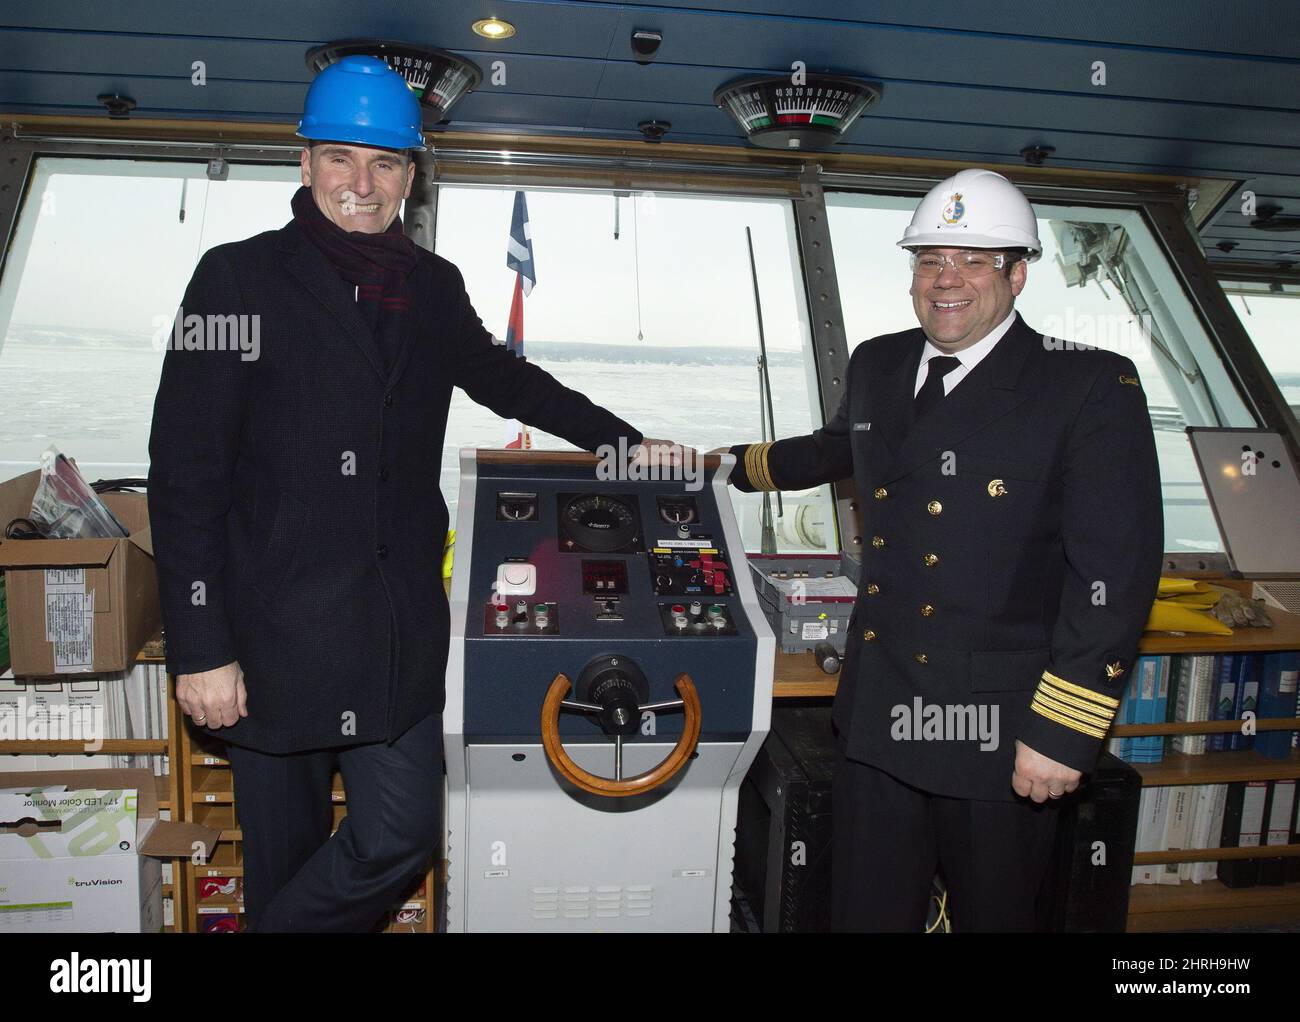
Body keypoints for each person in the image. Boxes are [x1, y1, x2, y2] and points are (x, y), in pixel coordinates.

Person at [147, 55, 677, 931]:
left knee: (399, 835)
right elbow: (186, 475)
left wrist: (624, 443)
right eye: (341, 158)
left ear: (410, 174)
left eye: (385, 162)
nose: (363, 183)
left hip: (391, 635)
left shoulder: (432, 287)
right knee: (284, 867)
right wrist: (201, 648)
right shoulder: (234, 278)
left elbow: (510, 382)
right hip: (270, 639)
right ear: (306, 159)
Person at [720, 168, 1163, 931]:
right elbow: (832, 449)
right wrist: (723, 465)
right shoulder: (879, 363)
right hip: (879, 708)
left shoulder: (1087, 384)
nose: (945, 280)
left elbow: (1115, 575)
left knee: (992, 917)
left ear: (1018, 274)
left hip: (1000, 730)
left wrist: (1063, 734)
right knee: (864, 914)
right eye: (929, 260)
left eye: (974, 261)